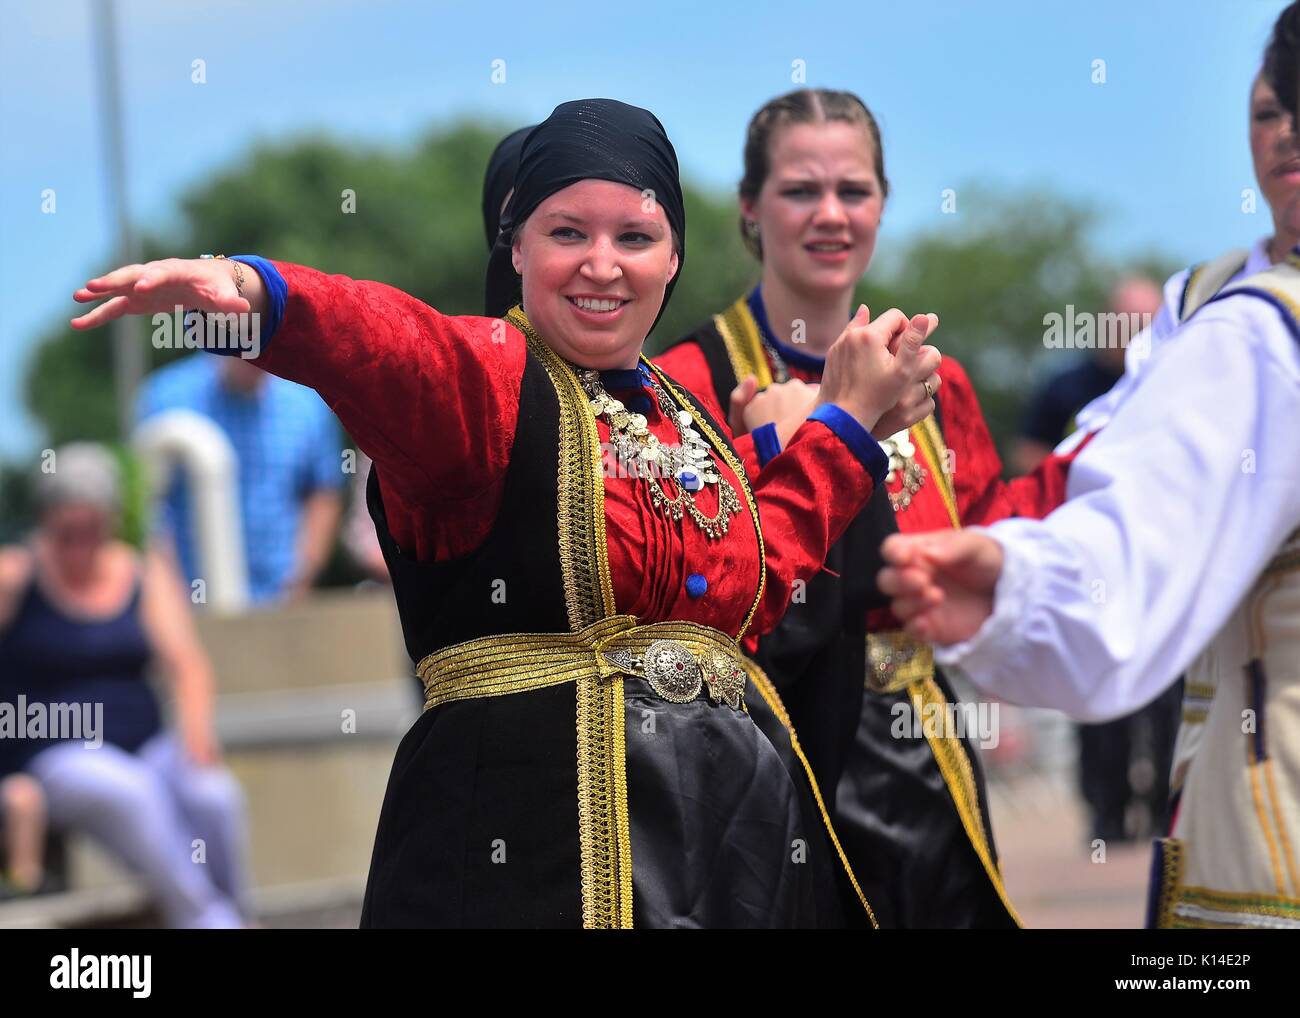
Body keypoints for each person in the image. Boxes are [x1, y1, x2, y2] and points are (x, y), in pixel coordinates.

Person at [71, 98, 944, 929]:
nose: (602, 263)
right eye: (568, 232)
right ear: (517, 248)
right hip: (527, 855)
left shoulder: (690, 420)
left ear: (673, 259)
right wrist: (259, 294)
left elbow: (761, 580)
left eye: (635, 237)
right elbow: (387, 341)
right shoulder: (488, 380)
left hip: (721, 856)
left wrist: (846, 429)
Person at [879, 0, 1300, 932]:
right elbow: (1104, 492)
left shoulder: (1261, 327)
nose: (1286, 131)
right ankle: (1113, 816)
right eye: (1270, 108)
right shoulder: (1220, 309)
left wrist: (1016, 582)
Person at [656, 87, 1075, 927]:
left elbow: (994, 520)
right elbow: (694, 586)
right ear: (749, 208)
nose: (830, 215)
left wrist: (1123, 444)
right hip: (772, 748)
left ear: (883, 203)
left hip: (921, 753)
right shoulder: (685, 382)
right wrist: (773, 448)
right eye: (799, 191)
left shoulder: (934, 377)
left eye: (854, 190)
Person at [0, 444, 251, 927]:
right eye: (65, 532)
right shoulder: (17, 574)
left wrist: (197, 736)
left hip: (146, 744)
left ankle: (238, 913)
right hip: (56, 754)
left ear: (110, 520)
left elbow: (188, 665)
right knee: (130, 792)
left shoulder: (140, 572)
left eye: (89, 530)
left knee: (215, 795)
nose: (78, 545)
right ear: (46, 522)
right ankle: (203, 919)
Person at [136, 353, 346, 606]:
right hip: (190, 600)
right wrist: (167, 590)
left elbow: (324, 492)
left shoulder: (307, 404)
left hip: (281, 601)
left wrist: (302, 577)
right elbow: (147, 505)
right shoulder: (166, 397)